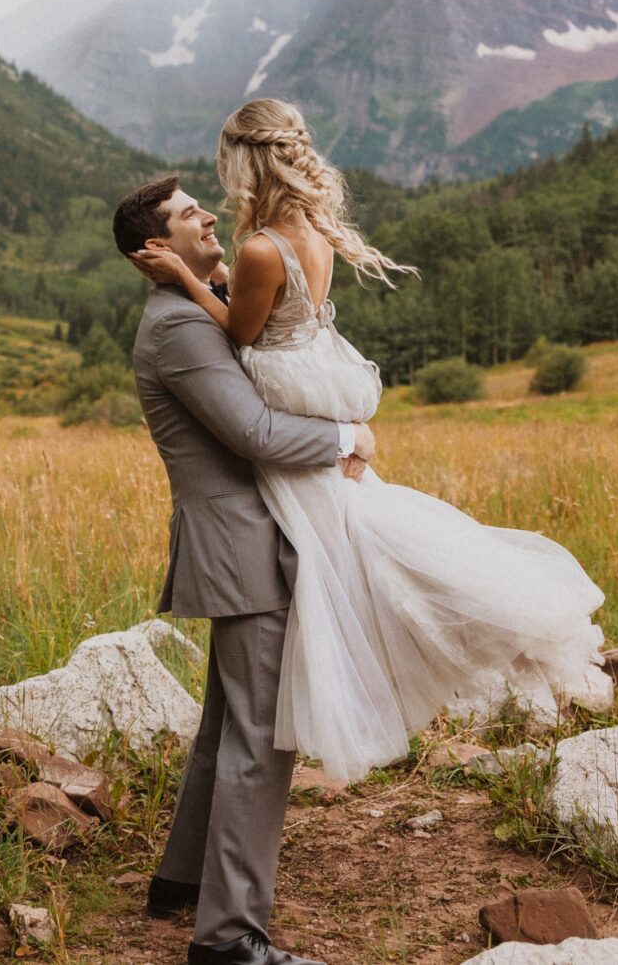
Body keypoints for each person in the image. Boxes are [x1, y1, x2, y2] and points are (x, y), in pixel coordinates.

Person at [131, 97, 612, 789]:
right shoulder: (310, 231)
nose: (214, 197)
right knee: (365, 541)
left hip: (289, 393)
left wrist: (186, 277)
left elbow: (239, 332)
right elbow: (276, 307)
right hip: (312, 376)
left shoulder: (259, 248)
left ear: (247, 163)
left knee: (347, 554)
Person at [113, 173, 372, 965]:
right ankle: (228, 938)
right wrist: (346, 438)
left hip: (244, 542)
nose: (208, 216)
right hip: (239, 546)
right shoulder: (178, 330)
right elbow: (255, 431)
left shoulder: (192, 308)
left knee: (228, 724)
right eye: (189, 214)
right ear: (155, 246)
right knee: (262, 738)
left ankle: (184, 878)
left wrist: (218, 279)